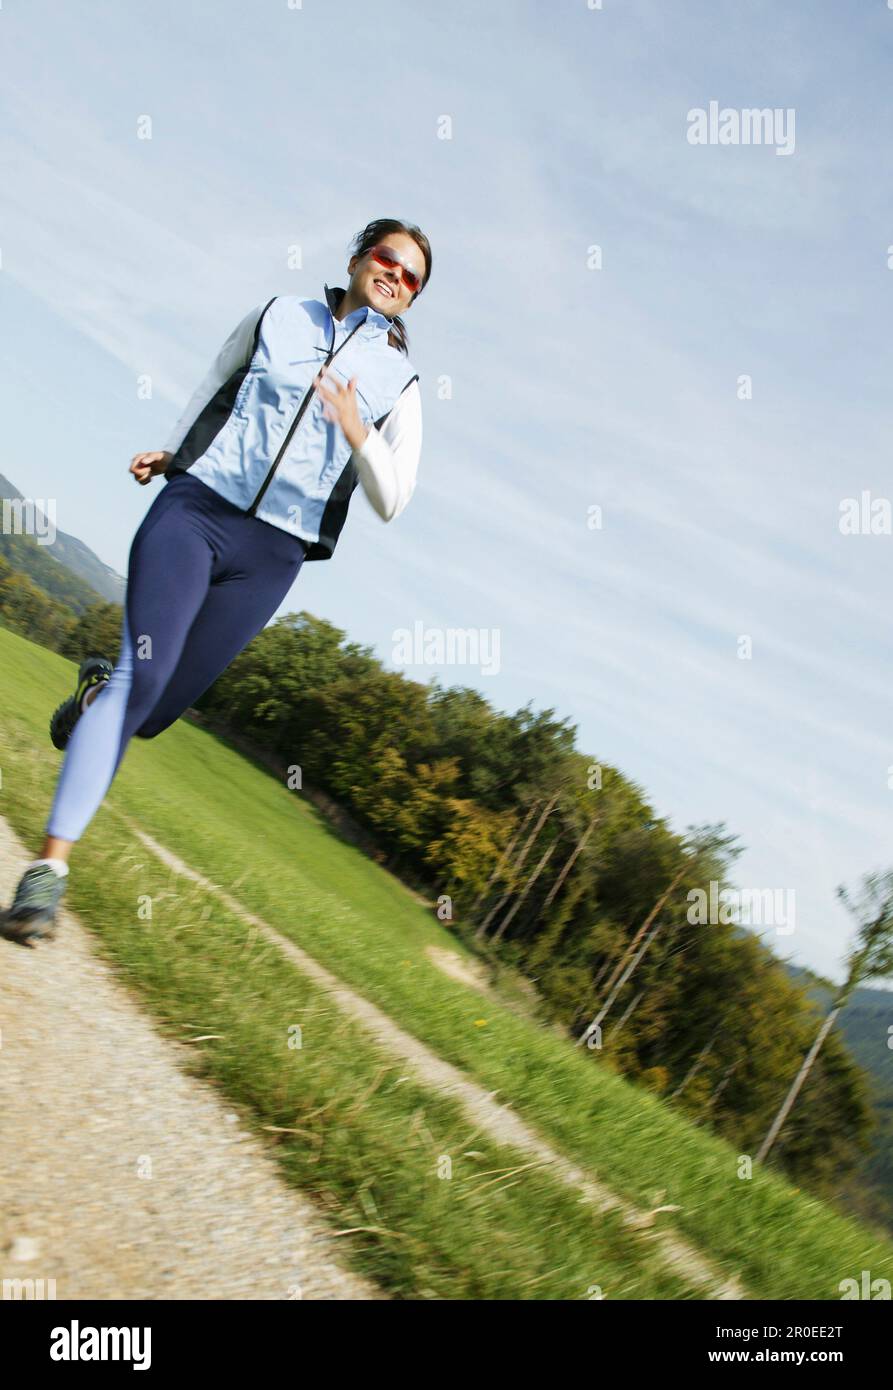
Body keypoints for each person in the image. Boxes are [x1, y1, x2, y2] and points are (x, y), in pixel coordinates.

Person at [1, 218, 431, 946]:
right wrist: (172, 452)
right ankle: (47, 875)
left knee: (157, 709)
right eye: (386, 258)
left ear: (412, 299)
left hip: (272, 556)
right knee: (147, 673)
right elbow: (214, 383)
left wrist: (358, 431)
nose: (395, 275)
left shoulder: (403, 384)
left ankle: (99, 699)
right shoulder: (278, 315)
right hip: (196, 510)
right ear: (358, 258)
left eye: (411, 276)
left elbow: (394, 501)